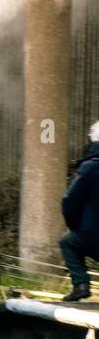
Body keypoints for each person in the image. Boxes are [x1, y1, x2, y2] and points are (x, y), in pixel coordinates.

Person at [59, 120, 99, 301]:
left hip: (93, 233)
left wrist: (75, 226)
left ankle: (81, 285)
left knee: (68, 242)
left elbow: (70, 202)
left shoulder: (90, 167)